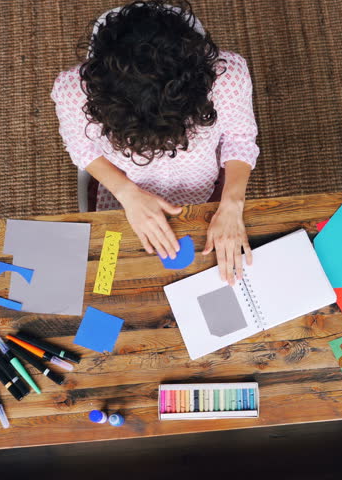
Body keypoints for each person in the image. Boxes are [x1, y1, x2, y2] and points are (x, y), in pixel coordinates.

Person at [51, 1, 259, 285]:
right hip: (122, 196)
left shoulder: (226, 76)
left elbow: (240, 138)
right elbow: (81, 148)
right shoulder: (74, 91)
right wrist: (128, 194)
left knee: (215, 274)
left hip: (206, 193)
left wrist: (233, 203)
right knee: (107, 281)